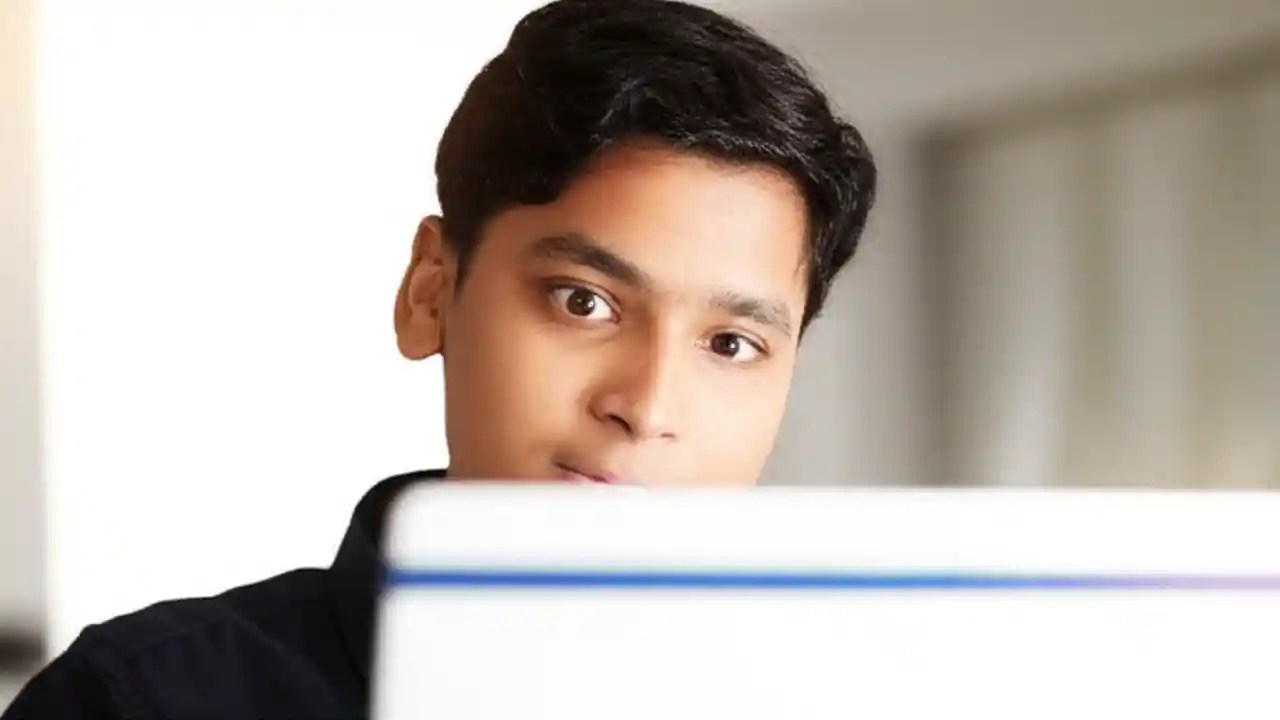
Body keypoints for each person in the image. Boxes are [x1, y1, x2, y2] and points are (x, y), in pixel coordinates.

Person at [2, 0, 875, 716]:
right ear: (430, 292)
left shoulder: (863, 701)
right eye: (584, 301)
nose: (645, 407)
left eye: (731, 344)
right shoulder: (142, 704)